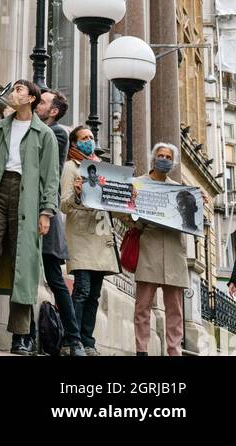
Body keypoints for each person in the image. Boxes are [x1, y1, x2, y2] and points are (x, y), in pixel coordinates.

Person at [0, 78, 59, 354]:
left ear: (32, 98)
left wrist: (46, 212)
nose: (14, 92)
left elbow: (50, 177)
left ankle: (21, 335)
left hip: (27, 199)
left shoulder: (44, 134)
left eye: (20, 89)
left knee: (24, 264)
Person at [61, 124, 118, 356]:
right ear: (74, 144)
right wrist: (77, 192)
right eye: (84, 138)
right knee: (82, 290)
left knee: (94, 294)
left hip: (101, 237)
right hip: (82, 236)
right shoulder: (70, 167)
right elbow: (63, 204)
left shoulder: (103, 170)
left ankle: (87, 341)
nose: (89, 141)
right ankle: (70, 341)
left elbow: (113, 203)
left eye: (91, 137)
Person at [36, 90, 85, 357]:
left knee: (54, 276)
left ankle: (74, 339)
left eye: (42, 101)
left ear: (53, 111)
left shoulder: (57, 133)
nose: (37, 104)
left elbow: (46, 166)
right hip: (25, 207)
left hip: (47, 210)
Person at [129, 141, 189, 356]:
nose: (164, 159)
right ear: (154, 158)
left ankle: (174, 351)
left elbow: (191, 221)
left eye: (168, 157)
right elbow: (123, 216)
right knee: (142, 306)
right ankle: (141, 350)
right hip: (149, 250)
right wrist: (133, 208)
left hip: (174, 253)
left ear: (173, 163)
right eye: (161, 156)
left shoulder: (180, 189)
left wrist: (197, 204)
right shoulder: (137, 184)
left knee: (175, 310)